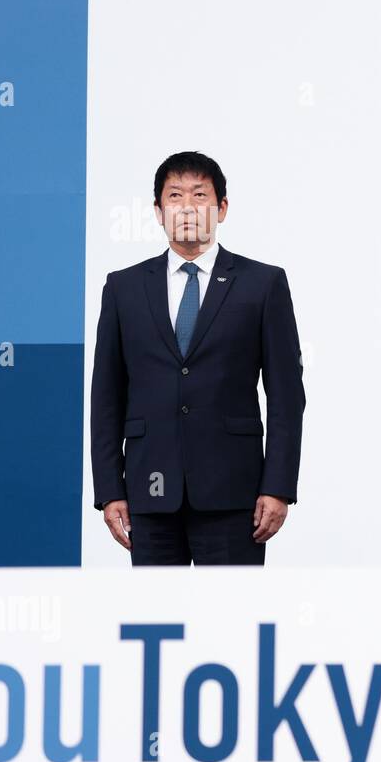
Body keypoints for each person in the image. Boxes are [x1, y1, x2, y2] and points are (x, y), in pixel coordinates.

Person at [90, 151, 305, 565]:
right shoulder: (123, 288)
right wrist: (110, 490)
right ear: (158, 212)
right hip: (148, 493)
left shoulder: (263, 284)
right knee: (156, 604)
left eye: (199, 195)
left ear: (221, 208)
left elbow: (287, 397)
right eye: (175, 196)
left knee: (231, 606)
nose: (187, 207)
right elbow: (106, 398)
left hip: (235, 495)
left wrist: (278, 486)